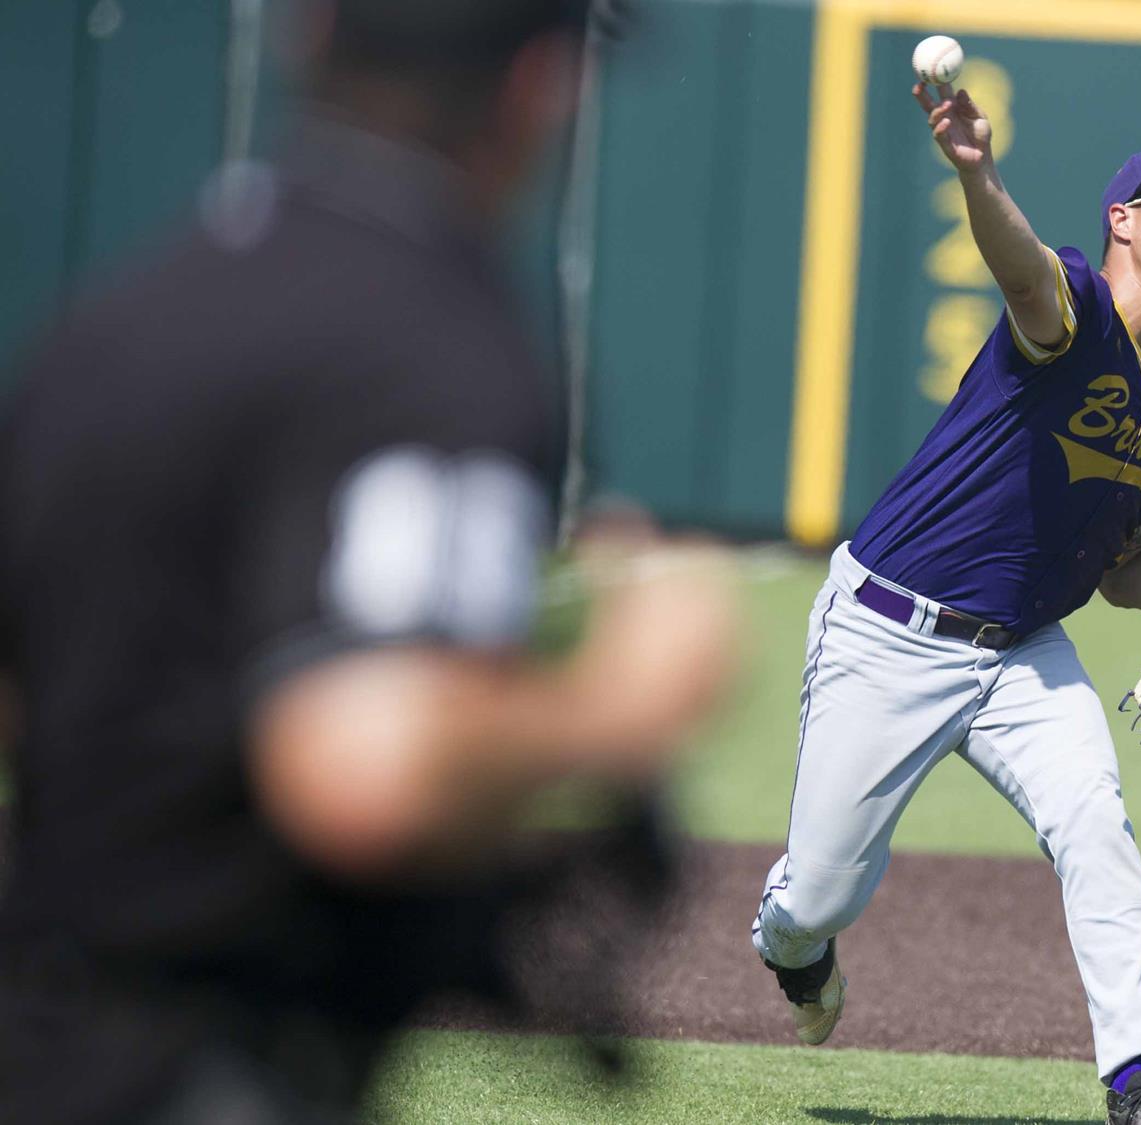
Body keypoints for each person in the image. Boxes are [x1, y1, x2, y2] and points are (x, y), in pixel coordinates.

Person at [0, 1, 734, 1120]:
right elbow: (368, 761)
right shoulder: (432, 334)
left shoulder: (121, 319)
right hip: (208, 1070)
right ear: (539, 87)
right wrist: (619, 697)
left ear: (310, 33)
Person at [748, 76, 1141, 1125]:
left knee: (1096, 825)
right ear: (1121, 223)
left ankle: (1138, 1079)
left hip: (1023, 650)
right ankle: (792, 948)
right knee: (819, 898)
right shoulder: (1071, 309)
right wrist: (976, 172)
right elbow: (1019, 269)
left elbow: (1124, 572)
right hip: (889, 630)